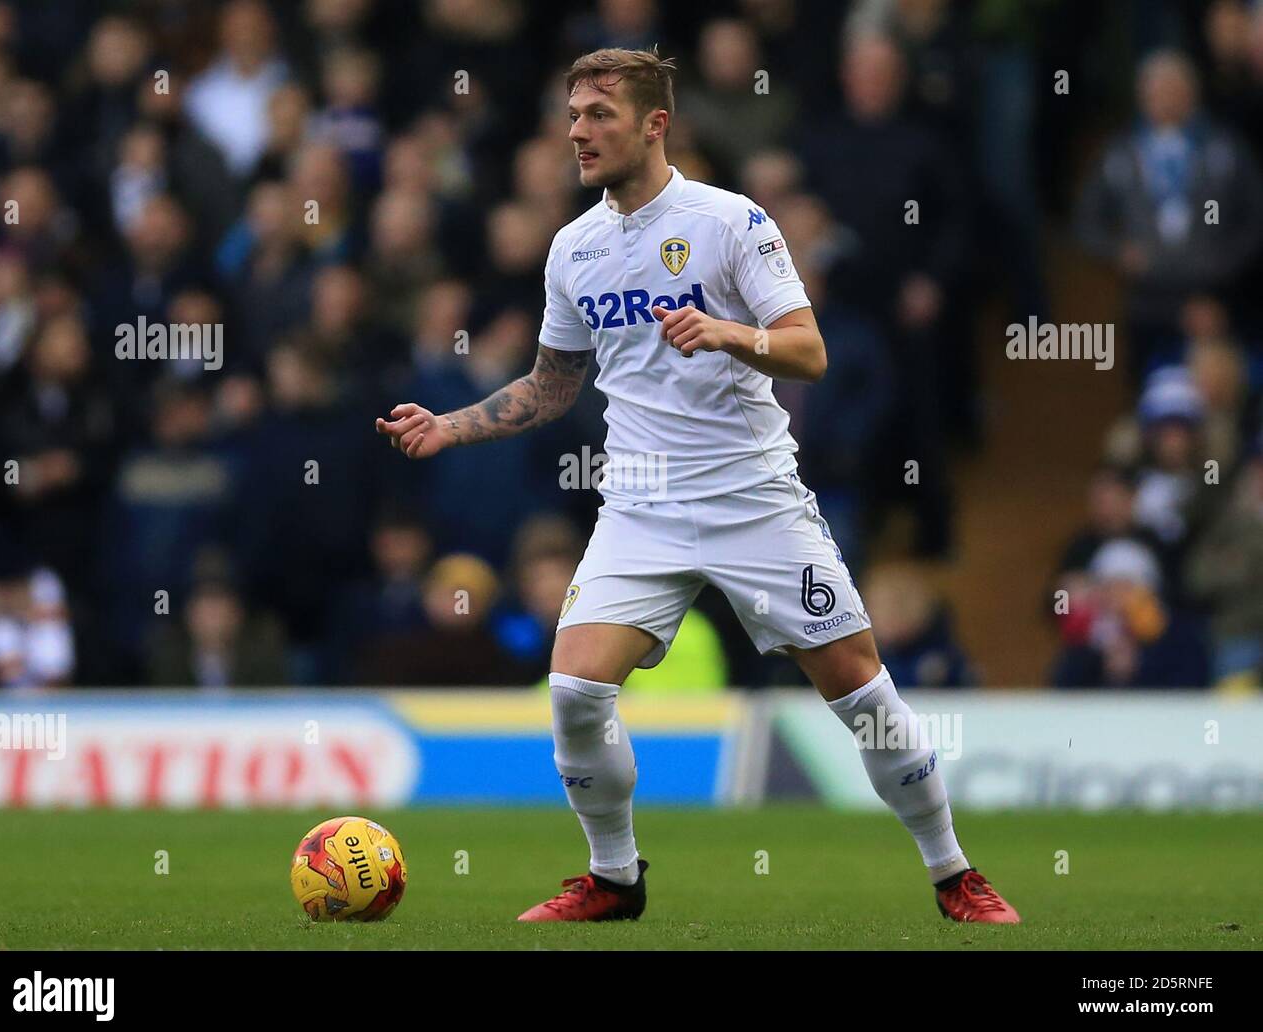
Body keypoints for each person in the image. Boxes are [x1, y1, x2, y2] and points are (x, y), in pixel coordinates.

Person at [375, 48, 1017, 925]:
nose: (578, 132)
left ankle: (954, 874)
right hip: (639, 504)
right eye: (571, 115)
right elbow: (554, 384)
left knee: (860, 691)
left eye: (599, 115)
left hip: (752, 495)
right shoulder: (574, 247)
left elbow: (810, 349)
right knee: (573, 692)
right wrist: (451, 425)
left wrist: (725, 333)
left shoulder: (730, 222)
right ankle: (614, 877)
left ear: (655, 124)